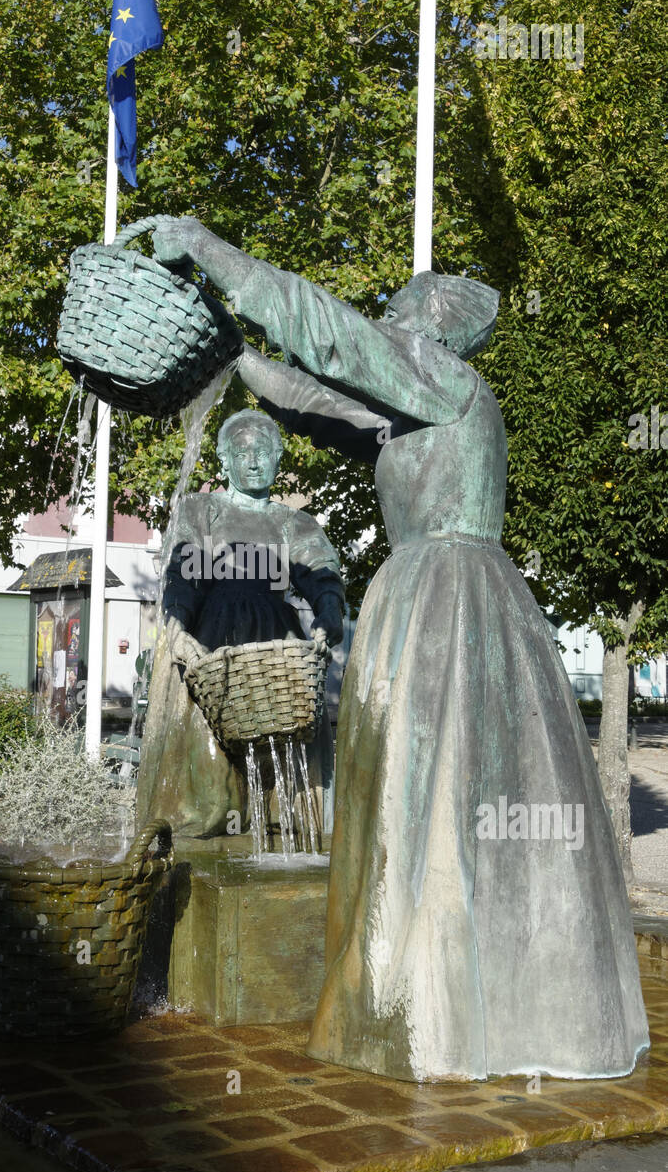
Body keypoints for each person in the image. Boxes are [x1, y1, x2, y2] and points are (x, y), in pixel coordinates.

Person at [150, 216, 649, 1082]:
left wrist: (206, 247)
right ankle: (466, 998)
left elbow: (330, 337)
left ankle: (435, 1010)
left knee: (437, 792)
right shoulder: (419, 399)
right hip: (462, 595)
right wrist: (233, 350)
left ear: (429, 321)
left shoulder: (439, 376)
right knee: (449, 796)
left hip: (442, 599)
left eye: (398, 304)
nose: (384, 310)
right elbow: (313, 394)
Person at [136, 408, 345, 839]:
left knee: (285, 739)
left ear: (277, 459)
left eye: (264, 452)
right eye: (242, 452)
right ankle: (207, 838)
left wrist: (327, 614)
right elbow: (181, 577)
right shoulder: (200, 509)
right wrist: (178, 633)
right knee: (210, 758)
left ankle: (278, 831)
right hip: (212, 645)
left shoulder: (293, 522)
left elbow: (322, 573)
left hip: (276, 650)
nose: (253, 461)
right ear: (224, 459)